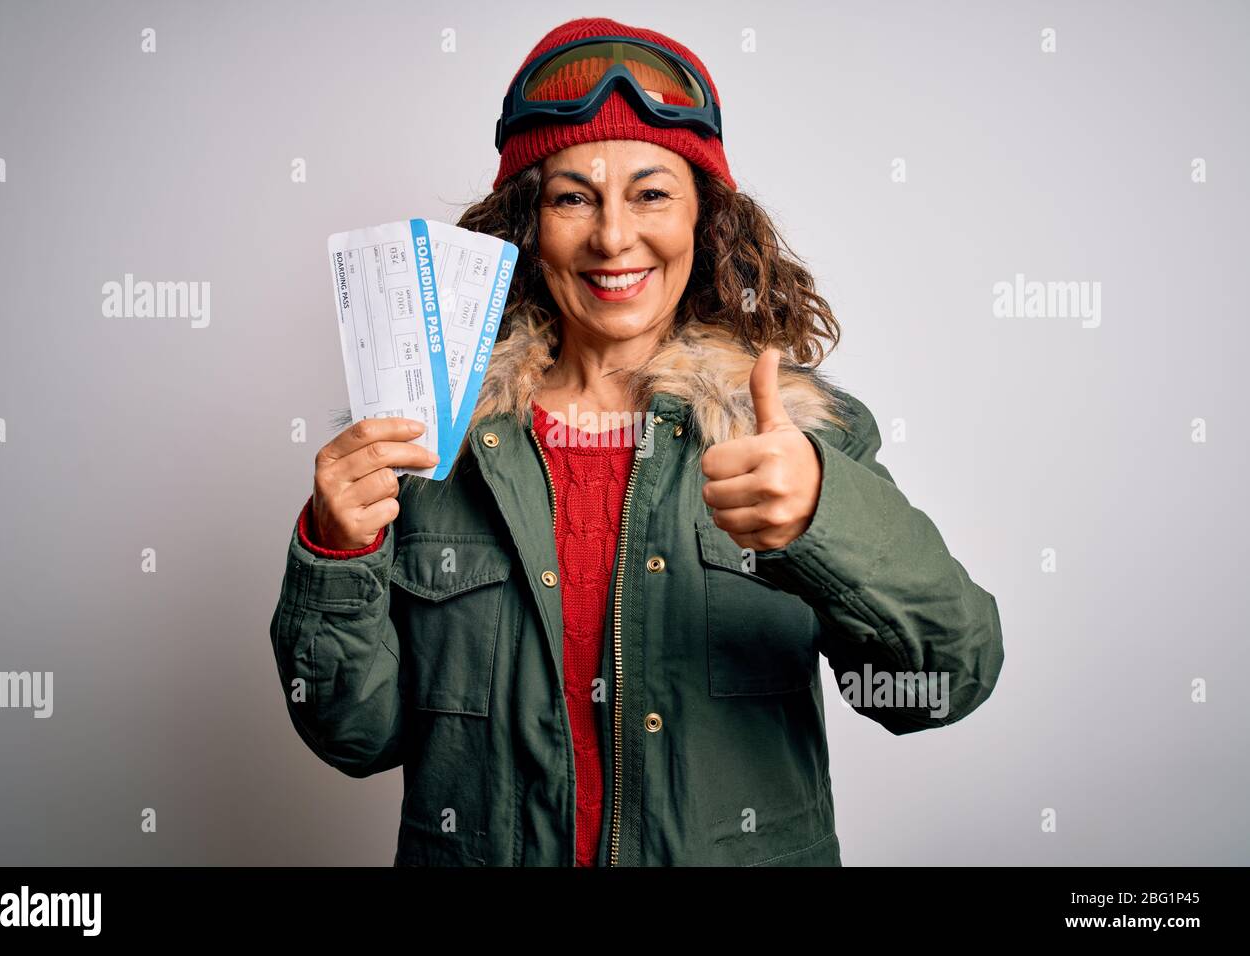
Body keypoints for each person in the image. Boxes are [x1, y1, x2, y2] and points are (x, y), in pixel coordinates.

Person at [269, 16, 1004, 867]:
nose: (613, 238)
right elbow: (358, 735)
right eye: (572, 197)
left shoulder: (794, 436)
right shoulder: (432, 440)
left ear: (707, 221)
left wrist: (822, 518)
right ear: (527, 224)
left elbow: (945, 683)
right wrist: (335, 552)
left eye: (652, 194)